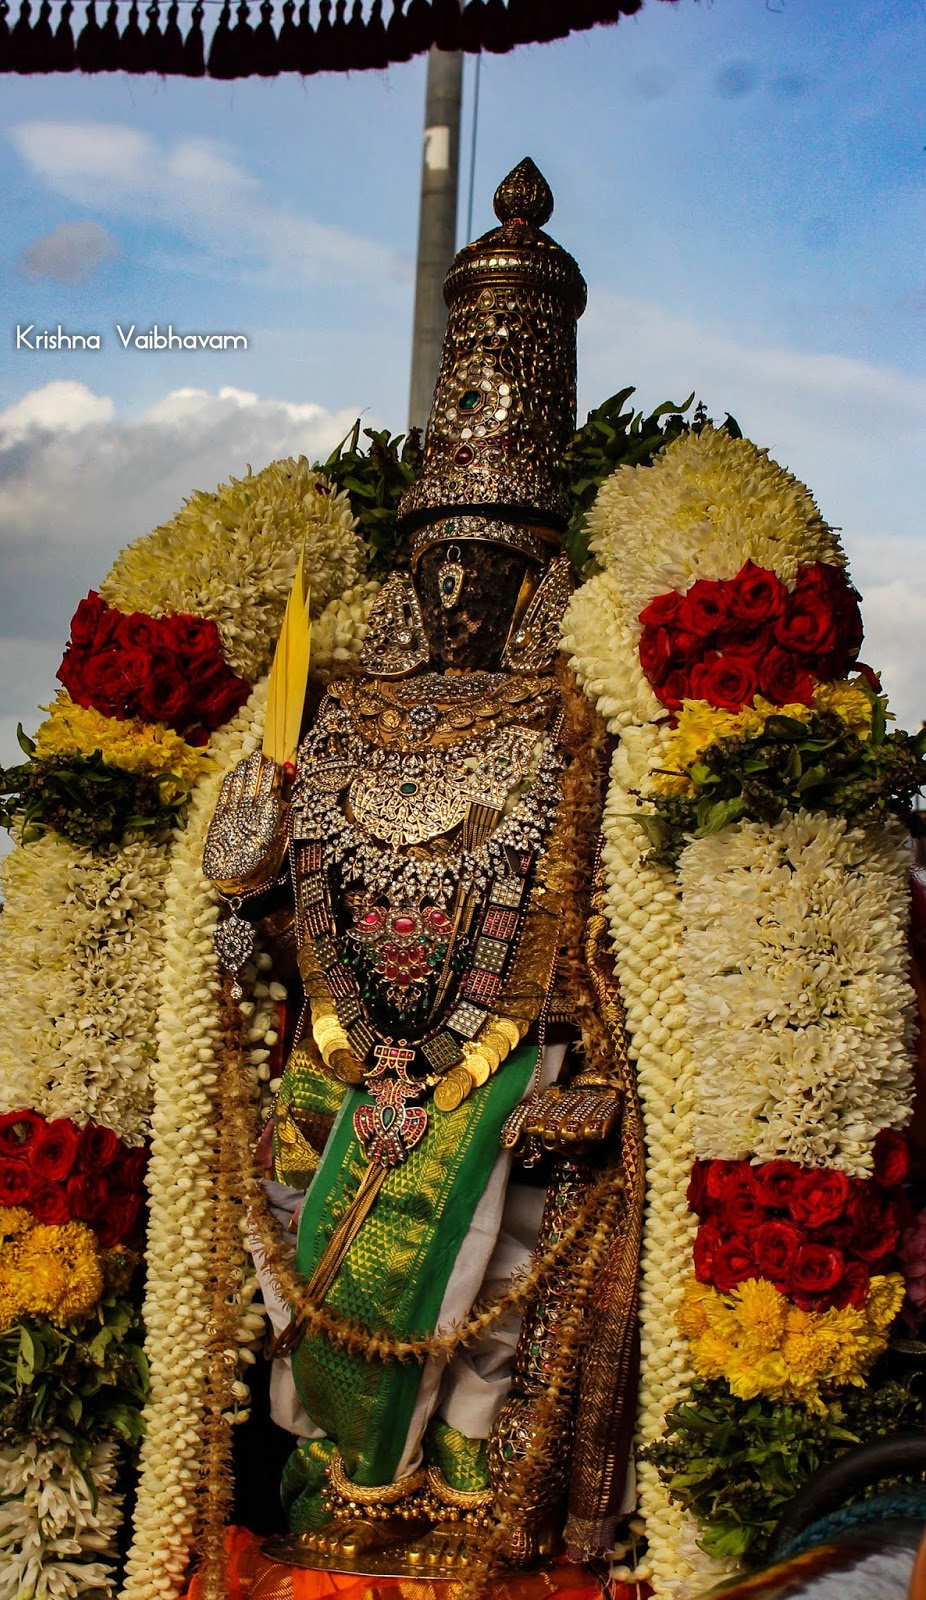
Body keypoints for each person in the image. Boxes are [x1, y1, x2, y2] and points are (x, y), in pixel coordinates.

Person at [204, 160, 643, 1583]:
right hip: (338, 1068)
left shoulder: (581, 715)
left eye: (495, 563)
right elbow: (245, 888)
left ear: (540, 571)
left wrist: (591, 1062)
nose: (465, 588)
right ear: (406, 569)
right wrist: (254, 822)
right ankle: (344, 1498)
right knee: (309, 1296)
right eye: (443, 560)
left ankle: (472, 1512)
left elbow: (614, 910)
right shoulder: (327, 706)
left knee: (495, 1306)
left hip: (511, 1076)